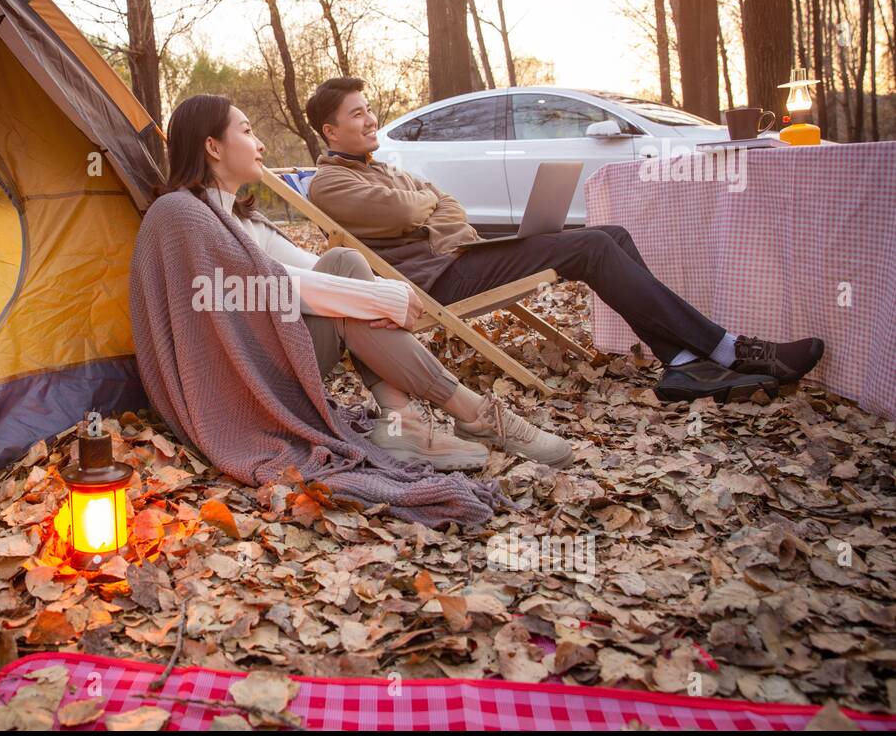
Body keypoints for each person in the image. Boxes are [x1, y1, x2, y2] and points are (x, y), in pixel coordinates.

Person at [303, 77, 825, 402]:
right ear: (330, 131)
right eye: (357, 114)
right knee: (592, 247)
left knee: (611, 234)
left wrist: (428, 207)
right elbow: (410, 206)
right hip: (437, 281)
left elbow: (448, 203)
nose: (371, 120)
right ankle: (727, 349)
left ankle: (685, 364)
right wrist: (426, 206)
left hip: (464, 256)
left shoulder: (382, 167)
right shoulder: (332, 182)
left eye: (369, 109)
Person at [163, 93, 575, 469]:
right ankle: (474, 413)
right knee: (352, 297)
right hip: (243, 381)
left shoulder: (242, 217)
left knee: (345, 260)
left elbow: (314, 266)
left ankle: (404, 425)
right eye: (249, 132)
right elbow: (267, 284)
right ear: (213, 146)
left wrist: (377, 290)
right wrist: (376, 297)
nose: (261, 145)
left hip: (277, 353)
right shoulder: (184, 214)